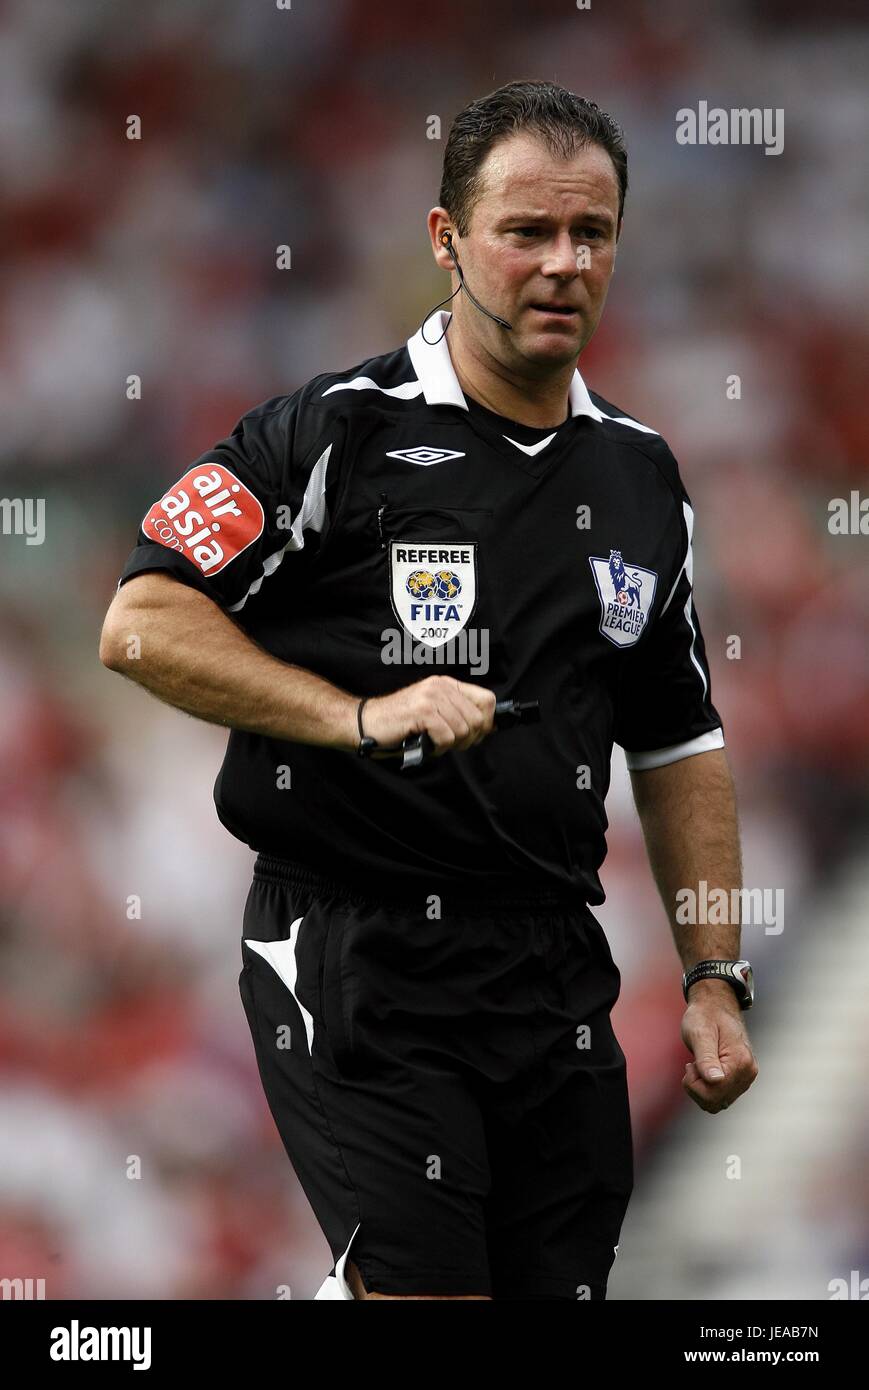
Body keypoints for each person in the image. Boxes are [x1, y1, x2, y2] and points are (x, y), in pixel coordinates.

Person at [99, 80, 758, 1301]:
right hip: (356, 950)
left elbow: (678, 744)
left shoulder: (640, 476)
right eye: (525, 232)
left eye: (591, 235)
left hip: (553, 967)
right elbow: (139, 623)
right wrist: (354, 717)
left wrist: (714, 973)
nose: (562, 265)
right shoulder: (329, 435)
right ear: (446, 240)